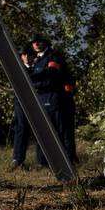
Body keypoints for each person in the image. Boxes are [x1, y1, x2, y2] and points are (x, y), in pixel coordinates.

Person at [29, 32, 74, 167]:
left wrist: (30, 77)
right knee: (44, 131)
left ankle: (68, 160)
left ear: (45, 42)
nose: (36, 44)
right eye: (34, 42)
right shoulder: (37, 60)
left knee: (62, 130)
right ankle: (43, 162)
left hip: (56, 97)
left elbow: (52, 72)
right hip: (41, 97)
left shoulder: (53, 56)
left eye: (39, 41)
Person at [11, 43, 35, 169]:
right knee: (21, 129)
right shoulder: (18, 69)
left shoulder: (38, 68)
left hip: (36, 102)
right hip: (21, 102)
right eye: (24, 55)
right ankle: (17, 159)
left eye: (29, 55)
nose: (26, 57)